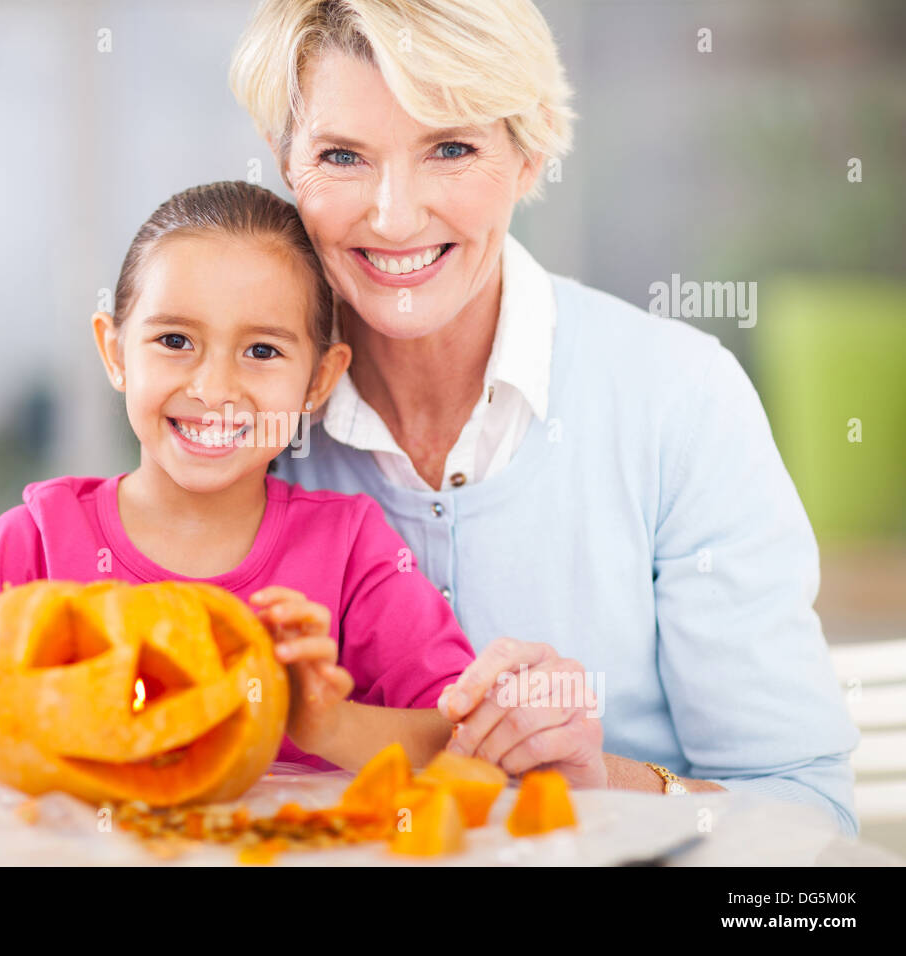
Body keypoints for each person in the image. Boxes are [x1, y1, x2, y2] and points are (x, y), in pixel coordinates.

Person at [230, 0, 859, 834]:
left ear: (529, 157)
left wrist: (598, 779)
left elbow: (811, 824)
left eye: (451, 148)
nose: (394, 214)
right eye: (342, 156)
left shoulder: (680, 400)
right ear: (285, 166)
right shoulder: (245, 423)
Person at [0, 180, 475, 773]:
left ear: (320, 380)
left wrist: (329, 727)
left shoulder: (351, 551)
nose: (213, 388)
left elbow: (463, 739)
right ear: (115, 353)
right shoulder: (34, 544)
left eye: (261, 351)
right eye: (174, 341)